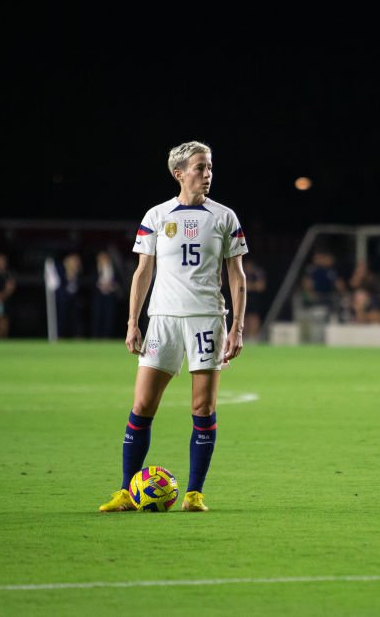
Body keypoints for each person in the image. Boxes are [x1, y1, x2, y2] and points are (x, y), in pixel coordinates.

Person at [99, 141, 248, 513]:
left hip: (207, 320)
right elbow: (142, 272)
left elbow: (237, 277)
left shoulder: (225, 217)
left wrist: (237, 327)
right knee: (143, 404)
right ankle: (125, 492)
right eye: (200, 167)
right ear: (179, 173)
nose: (207, 174)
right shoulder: (155, 216)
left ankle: (194, 493)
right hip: (163, 320)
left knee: (202, 406)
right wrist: (134, 322)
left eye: (210, 167)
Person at [91, 251, 120, 338]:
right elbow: (91, 280)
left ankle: (107, 337)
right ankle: (96, 337)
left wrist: (112, 286)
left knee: (109, 317)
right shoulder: (95, 268)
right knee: (97, 317)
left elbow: (119, 281)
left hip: (110, 296)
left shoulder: (113, 268)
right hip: (98, 296)